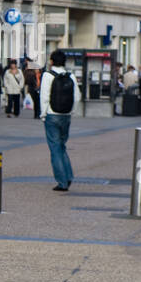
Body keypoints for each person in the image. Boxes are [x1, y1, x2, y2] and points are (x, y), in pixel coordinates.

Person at [41, 49, 80, 191]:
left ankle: (62, 182)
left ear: (51, 61)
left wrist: (43, 114)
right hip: (66, 115)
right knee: (62, 146)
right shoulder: (71, 76)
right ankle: (68, 176)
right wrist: (72, 111)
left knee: (55, 149)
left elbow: (44, 97)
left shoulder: (48, 75)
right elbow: (77, 97)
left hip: (52, 115)